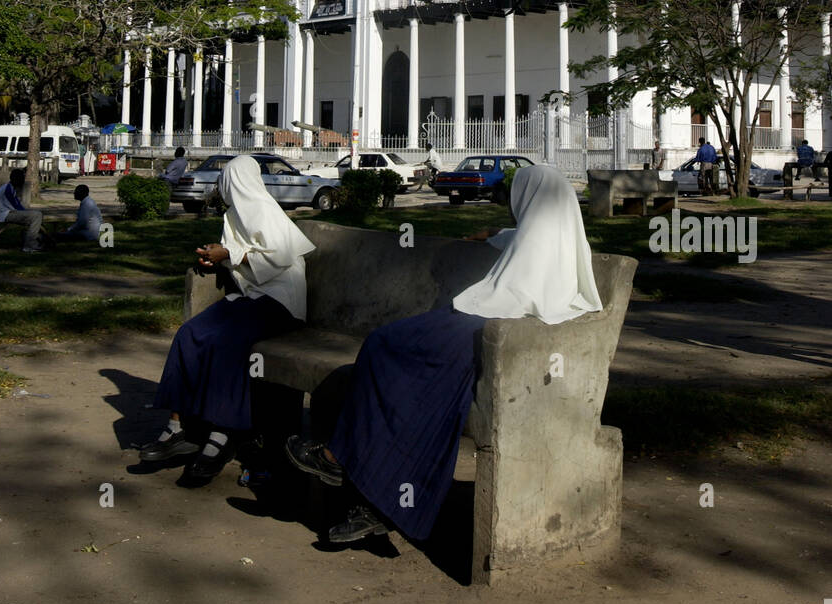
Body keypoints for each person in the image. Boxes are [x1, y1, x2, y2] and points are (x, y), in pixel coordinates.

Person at [285, 164, 602, 545]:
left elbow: (523, 300)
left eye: (518, 196)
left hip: (484, 331)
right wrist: (492, 235)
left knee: (390, 353)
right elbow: (514, 240)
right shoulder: (553, 234)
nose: (512, 205)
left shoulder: (542, 242)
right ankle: (364, 489)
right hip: (475, 324)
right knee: (389, 355)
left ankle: (345, 465)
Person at [139, 154, 315, 486]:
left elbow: (279, 255)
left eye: (227, 179)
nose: (223, 186)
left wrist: (229, 255)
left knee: (229, 343)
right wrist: (216, 260)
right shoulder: (234, 215)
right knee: (190, 334)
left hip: (280, 303)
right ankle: (178, 427)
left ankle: (222, 434)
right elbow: (240, 261)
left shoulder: (265, 210)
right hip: (249, 300)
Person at [0, 169, 44, 252]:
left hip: (6, 213)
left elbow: (18, 205)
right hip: (3, 215)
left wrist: (27, 212)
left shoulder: (10, 187)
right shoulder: (8, 189)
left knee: (34, 215)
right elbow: (15, 207)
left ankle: (28, 237)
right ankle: (29, 245)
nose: (23, 181)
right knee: (37, 215)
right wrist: (28, 213)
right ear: (16, 179)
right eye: (21, 178)